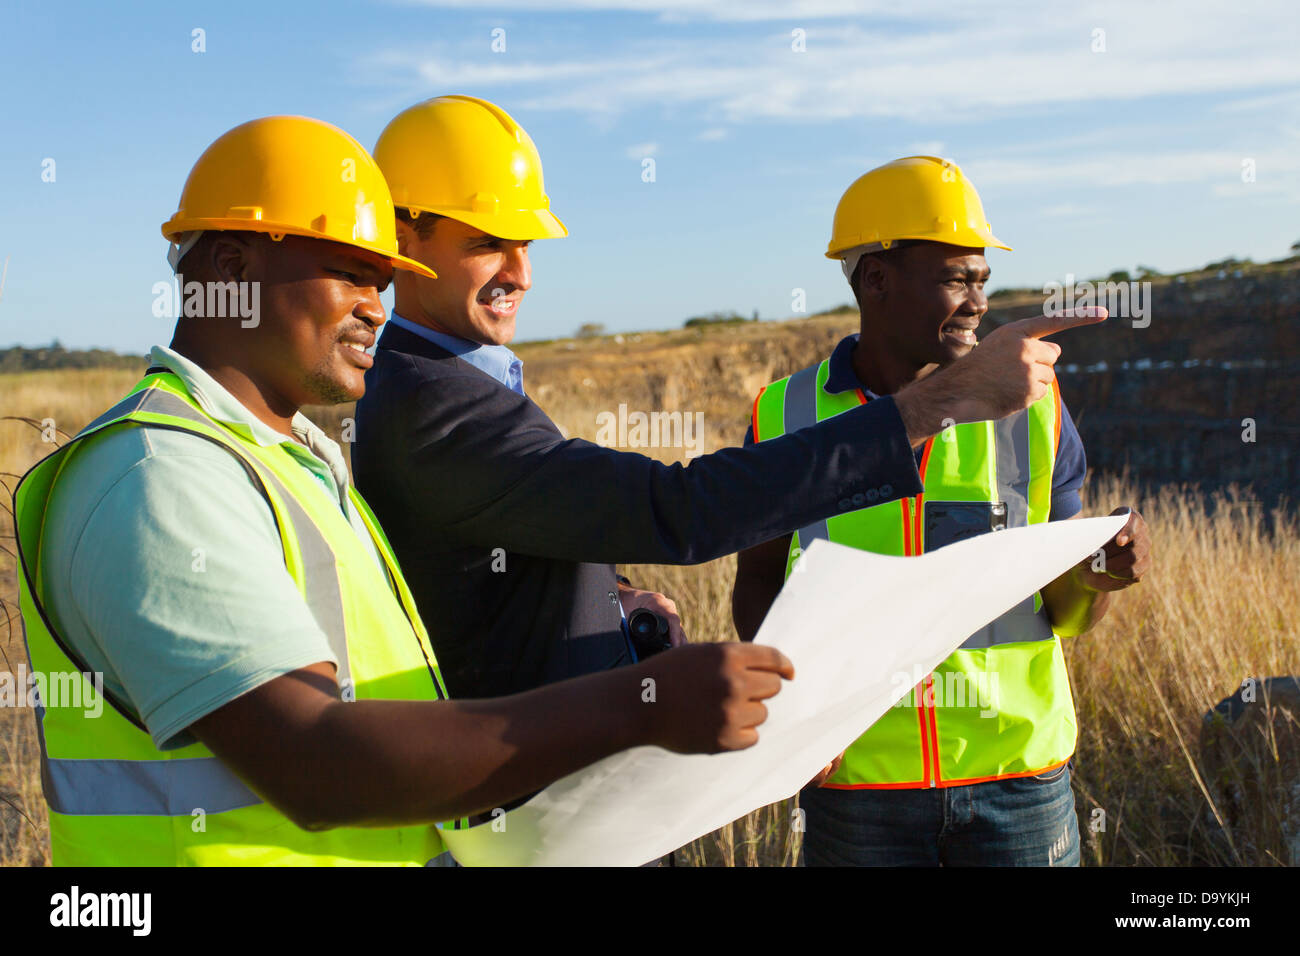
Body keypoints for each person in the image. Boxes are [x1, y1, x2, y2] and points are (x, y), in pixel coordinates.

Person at [12, 115, 799, 867]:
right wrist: (641, 705)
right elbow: (313, 762)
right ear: (231, 268)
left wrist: (603, 597)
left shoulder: (296, 460)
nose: (374, 310)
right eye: (351, 273)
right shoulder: (163, 475)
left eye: (383, 282)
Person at [352, 96, 1098, 713]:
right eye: (489, 242)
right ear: (400, 235)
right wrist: (932, 405)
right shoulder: (433, 405)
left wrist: (611, 596)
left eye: (528, 245)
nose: (523, 274)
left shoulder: (456, 381)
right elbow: (678, 510)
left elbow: (515, 540)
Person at [731, 155, 1152, 867]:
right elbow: (759, 582)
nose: (979, 302)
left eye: (982, 280)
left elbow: (1067, 613)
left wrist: (1098, 575)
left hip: (1018, 782)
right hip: (857, 789)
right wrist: (796, 723)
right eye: (956, 278)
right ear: (877, 279)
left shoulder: (1037, 409)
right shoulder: (785, 414)